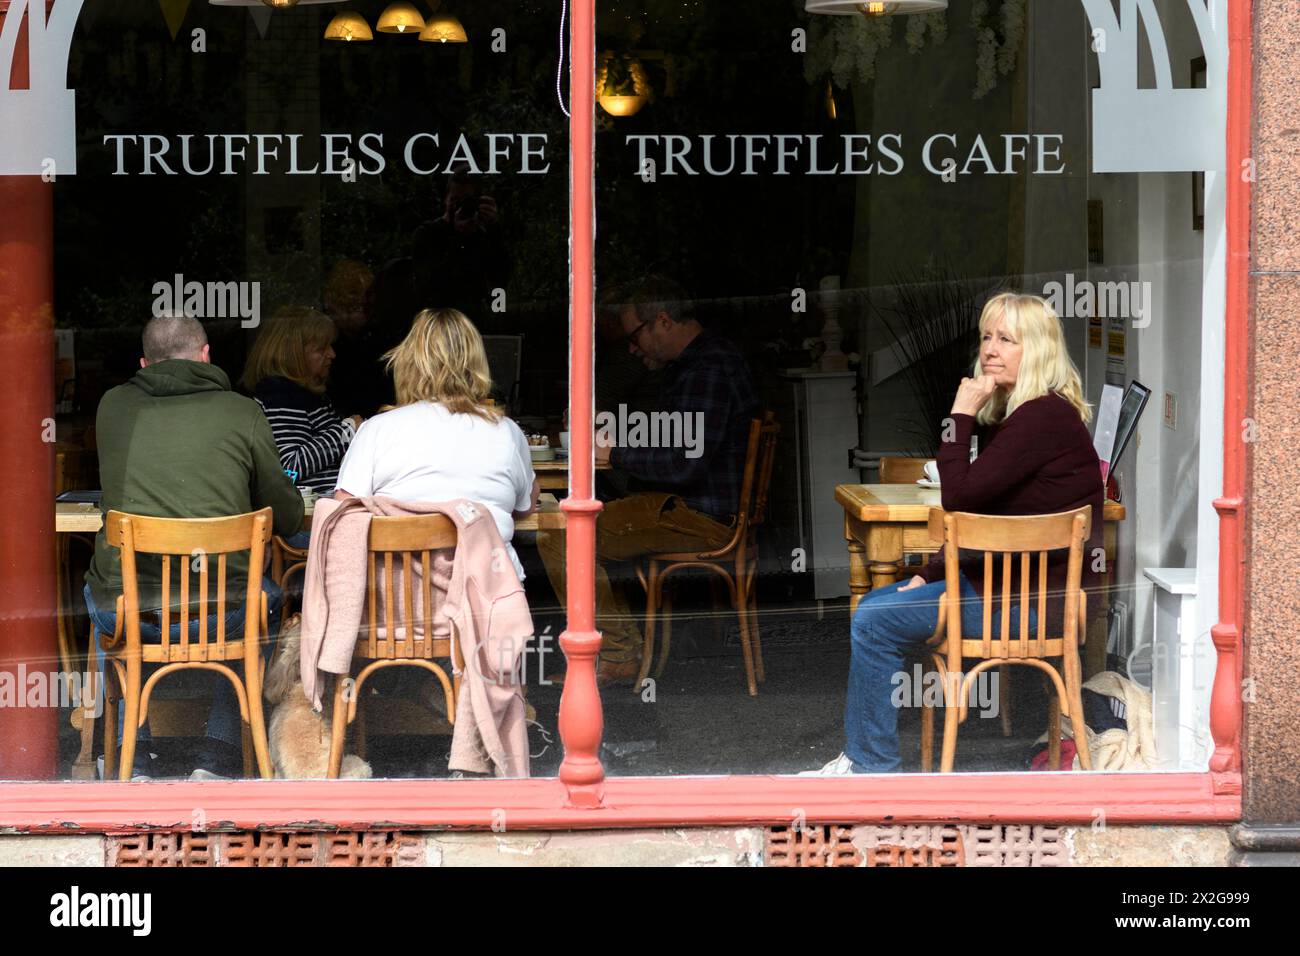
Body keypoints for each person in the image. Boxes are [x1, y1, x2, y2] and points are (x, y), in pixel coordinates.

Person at [805, 292, 1104, 775]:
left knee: (872, 620)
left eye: (1007, 339)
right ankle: (867, 762)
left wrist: (960, 413)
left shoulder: (1039, 419)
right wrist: (930, 571)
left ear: (1039, 351)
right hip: (1007, 592)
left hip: (1024, 607)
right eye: (987, 336)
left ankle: (870, 769)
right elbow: (985, 511)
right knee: (877, 610)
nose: (990, 349)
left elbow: (958, 498)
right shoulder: (1031, 415)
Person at [84, 314, 304, 779]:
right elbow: (284, 518)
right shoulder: (243, 412)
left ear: (144, 363)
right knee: (264, 601)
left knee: (109, 593)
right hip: (221, 610)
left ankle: (131, 755)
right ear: (206, 355)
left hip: (128, 610)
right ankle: (219, 755)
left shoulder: (111, 407)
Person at [538, 276, 759, 684]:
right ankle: (624, 647)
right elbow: (676, 439)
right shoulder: (700, 362)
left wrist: (613, 452)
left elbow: (683, 465)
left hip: (699, 515)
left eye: (635, 335)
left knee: (559, 535)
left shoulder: (706, 369)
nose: (632, 346)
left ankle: (621, 653)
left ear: (662, 321)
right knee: (581, 524)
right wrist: (616, 437)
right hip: (691, 506)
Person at [333, 308, 539, 583]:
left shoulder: (377, 430)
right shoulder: (507, 432)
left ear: (408, 363)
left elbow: (344, 514)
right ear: (477, 363)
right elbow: (524, 507)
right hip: (487, 605)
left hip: (400, 608)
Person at [242, 306, 362, 516]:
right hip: (303, 524)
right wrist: (348, 430)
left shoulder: (306, 395)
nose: (332, 354)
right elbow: (290, 467)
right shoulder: (280, 397)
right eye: (321, 348)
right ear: (294, 354)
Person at [410, 168, 509, 323]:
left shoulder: (483, 236)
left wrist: (494, 229)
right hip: (439, 324)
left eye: (467, 201)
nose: (460, 207)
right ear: (446, 199)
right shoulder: (427, 234)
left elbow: (501, 279)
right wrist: (459, 239)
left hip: (474, 323)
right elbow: (429, 287)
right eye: (455, 200)